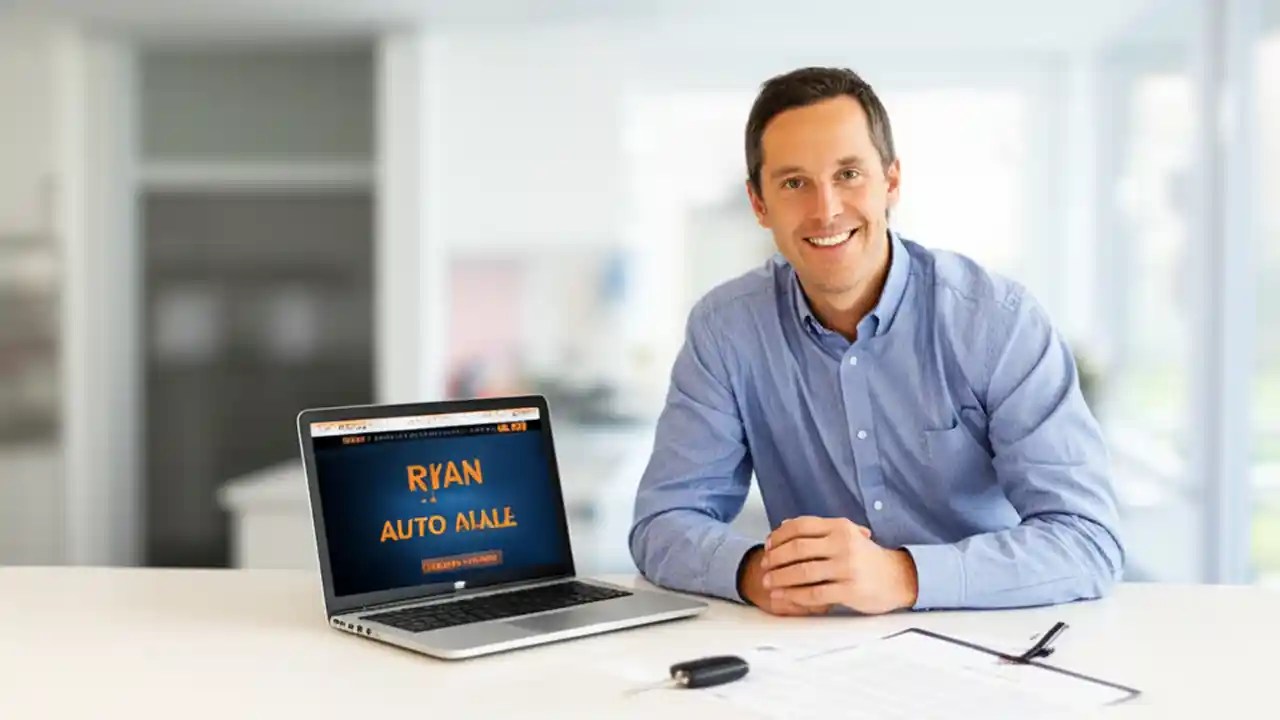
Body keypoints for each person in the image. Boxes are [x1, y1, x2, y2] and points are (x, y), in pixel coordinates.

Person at [629, 67, 1124, 615]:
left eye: (848, 174)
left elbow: (1087, 541)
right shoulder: (726, 331)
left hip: (994, 637)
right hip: (812, 647)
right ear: (759, 203)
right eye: (794, 183)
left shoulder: (997, 323)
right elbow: (662, 523)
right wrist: (757, 572)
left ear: (891, 182)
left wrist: (903, 577)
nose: (825, 209)